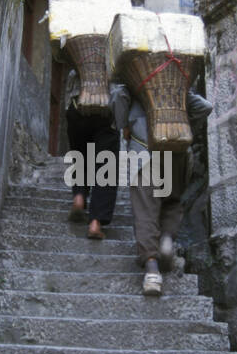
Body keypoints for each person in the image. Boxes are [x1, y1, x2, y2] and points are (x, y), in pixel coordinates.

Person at [112, 84, 212, 296]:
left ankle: (151, 271)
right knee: (172, 201)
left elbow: (120, 95)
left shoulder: (134, 80)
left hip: (144, 151)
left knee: (145, 210)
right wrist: (186, 127)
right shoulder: (176, 82)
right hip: (177, 152)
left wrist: (124, 126)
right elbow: (204, 107)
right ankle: (166, 240)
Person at [63, 67, 119, 240]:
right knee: (106, 167)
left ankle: (79, 197)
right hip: (106, 109)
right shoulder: (112, 51)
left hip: (78, 105)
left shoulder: (80, 44)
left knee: (80, 155)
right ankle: (95, 222)